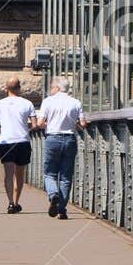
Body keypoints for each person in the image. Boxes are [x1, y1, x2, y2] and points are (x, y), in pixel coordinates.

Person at [34, 76, 86, 221]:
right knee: (65, 176)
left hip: (52, 138)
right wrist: (73, 124)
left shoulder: (48, 102)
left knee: (50, 173)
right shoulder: (76, 102)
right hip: (70, 139)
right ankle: (61, 210)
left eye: (51, 87)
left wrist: (48, 124)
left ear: (57, 88)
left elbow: (39, 123)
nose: (51, 90)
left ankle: (53, 195)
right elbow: (82, 124)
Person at [0, 76, 36, 214]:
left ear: (6, 88)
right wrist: (24, 127)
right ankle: (16, 202)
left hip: (6, 141)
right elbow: (34, 124)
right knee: (19, 175)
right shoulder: (27, 103)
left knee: (8, 174)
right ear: (19, 88)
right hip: (22, 140)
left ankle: (9, 202)